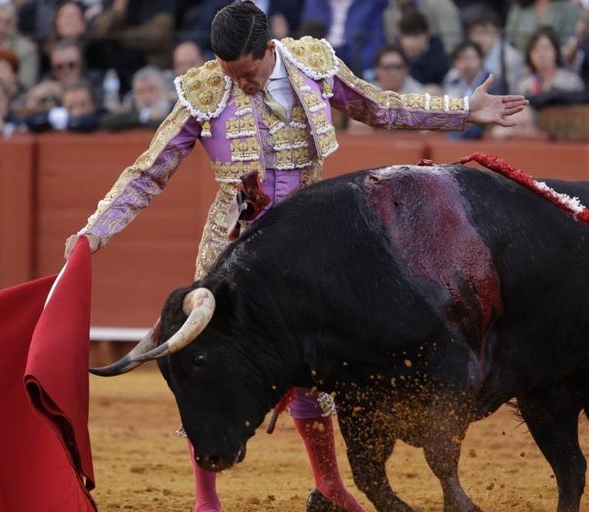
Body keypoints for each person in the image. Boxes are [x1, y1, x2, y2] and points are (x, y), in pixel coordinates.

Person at [62, 3, 527, 512]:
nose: (240, 84)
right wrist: (95, 230)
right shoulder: (205, 89)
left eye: (247, 73)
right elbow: (150, 170)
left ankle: (329, 486)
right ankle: (206, 500)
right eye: (230, 75)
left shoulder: (312, 65)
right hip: (232, 252)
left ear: (269, 49)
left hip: (308, 252)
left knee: (316, 370)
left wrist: (462, 110)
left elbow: (380, 107)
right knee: (204, 366)